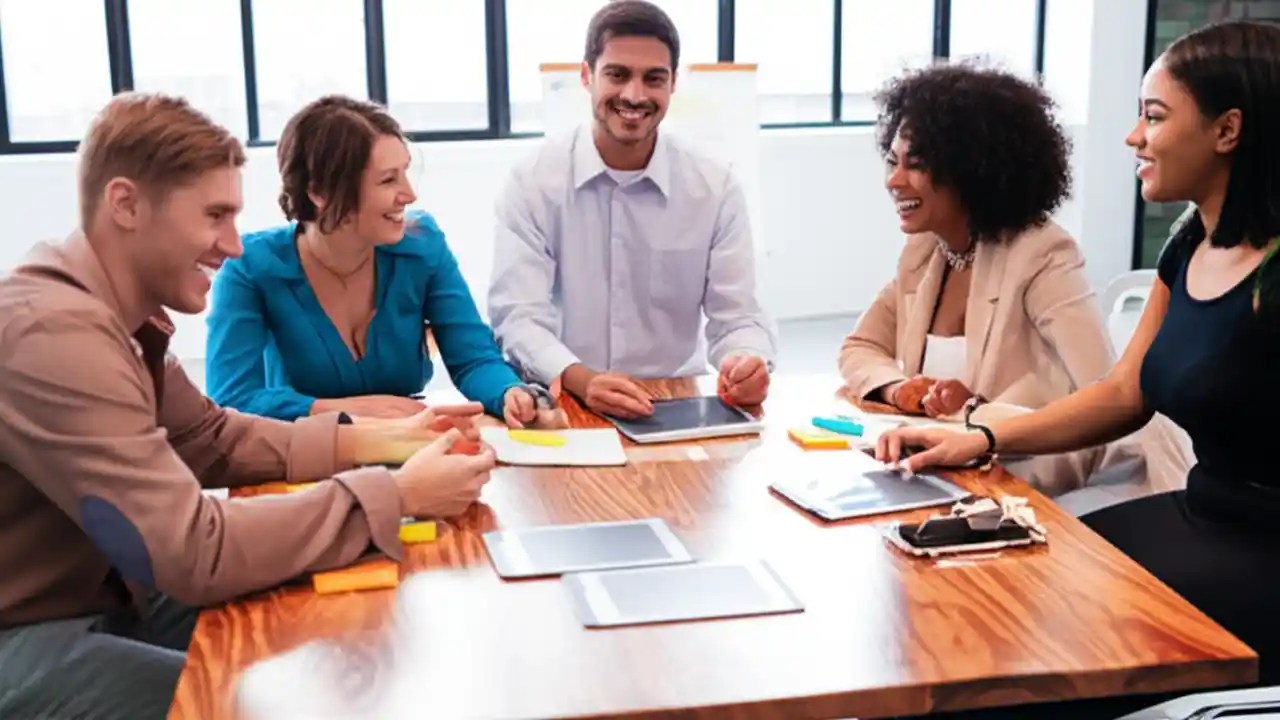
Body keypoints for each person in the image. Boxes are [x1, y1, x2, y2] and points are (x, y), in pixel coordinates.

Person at [0, 93, 496, 719]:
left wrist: (384, 441)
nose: (234, 246)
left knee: (343, 617)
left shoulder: (112, 318)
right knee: (255, 702)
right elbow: (193, 549)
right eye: (214, 216)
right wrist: (397, 496)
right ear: (125, 204)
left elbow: (210, 438)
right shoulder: (54, 335)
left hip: (106, 590)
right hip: (27, 633)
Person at [877, 20, 1280, 712]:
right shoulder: (1189, 244)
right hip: (1198, 512)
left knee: (1030, 666)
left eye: (1154, 117)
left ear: (1228, 130)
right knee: (994, 601)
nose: (1133, 137)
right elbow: (1125, 391)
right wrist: (979, 439)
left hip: (1265, 552)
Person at [841, 62, 1187, 498]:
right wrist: (898, 389)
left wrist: (975, 415)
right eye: (892, 161)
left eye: (917, 164)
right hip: (958, 481)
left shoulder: (1042, 254)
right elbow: (860, 346)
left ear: (970, 169)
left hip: (1083, 492)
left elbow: (1106, 403)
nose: (894, 180)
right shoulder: (926, 251)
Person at [487, 0, 778, 420]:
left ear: (674, 83)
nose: (635, 95)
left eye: (653, 78)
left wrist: (747, 361)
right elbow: (517, 317)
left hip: (675, 404)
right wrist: (582, 379)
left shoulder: (714, 187)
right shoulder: (533, 182)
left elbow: (739, 316)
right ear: (586, 76)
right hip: (565, 400)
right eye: (617, 74)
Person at [205, 96, 539, 427]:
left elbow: (474, 358)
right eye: (388, 179)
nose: (409, 194)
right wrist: (346, 411)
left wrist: (510, 393)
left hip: (411, 453)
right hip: (302, 462)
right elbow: (232, 398)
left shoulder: (423, 247)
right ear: (320, 192)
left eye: (405, 173)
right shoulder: (250, 267)